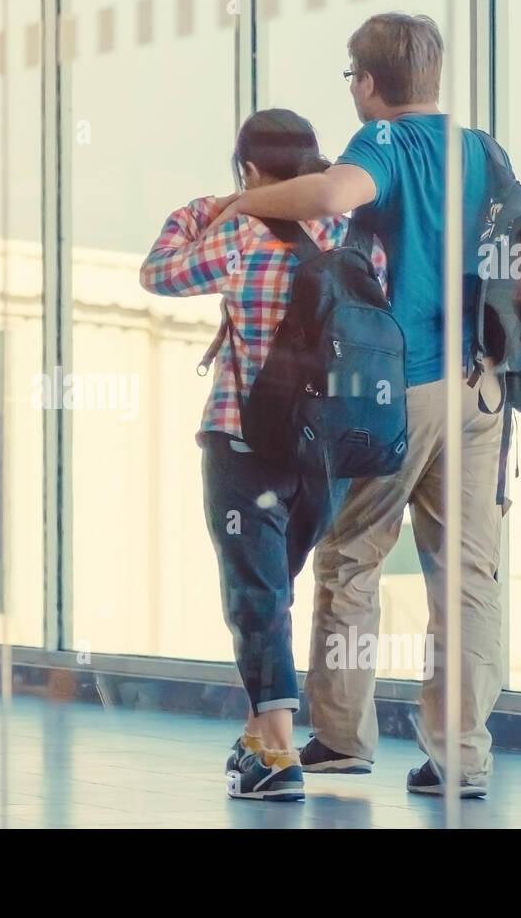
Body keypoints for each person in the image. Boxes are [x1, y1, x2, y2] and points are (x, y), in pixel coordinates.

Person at [212, 14, 513, 798]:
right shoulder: (480, 149)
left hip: (400, 385)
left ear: (370, 82)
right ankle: (461, 758)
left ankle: (342, 736)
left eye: (353, 77)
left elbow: (337, 193)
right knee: (468, 575)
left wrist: (246, 203)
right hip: (481, 388)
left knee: (353, 559)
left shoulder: (383, 144)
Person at [141, 109, 387, 800]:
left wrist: (205, 209)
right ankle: (258, 735)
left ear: (249, 171)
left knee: (255, 594)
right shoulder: (354, 236)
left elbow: (158, 274)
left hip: (245, 439)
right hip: (329, 451)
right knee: (274, 589)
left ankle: (278, 756)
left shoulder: (242, 233)